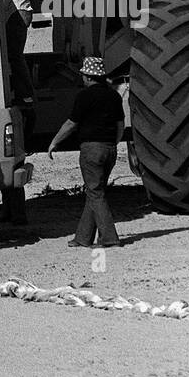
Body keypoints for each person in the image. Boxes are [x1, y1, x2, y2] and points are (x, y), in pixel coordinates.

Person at [47, 55, 124, 248]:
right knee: (95, 191)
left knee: (95, 193)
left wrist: (54, 142)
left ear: (89, 77)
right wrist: (113, 142)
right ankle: (83, 237)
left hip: (91, 149)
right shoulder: (114, 96)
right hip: (110, 149)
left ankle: (109, 238)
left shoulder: (84, 96)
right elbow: (120, 124)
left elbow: (71, 123)